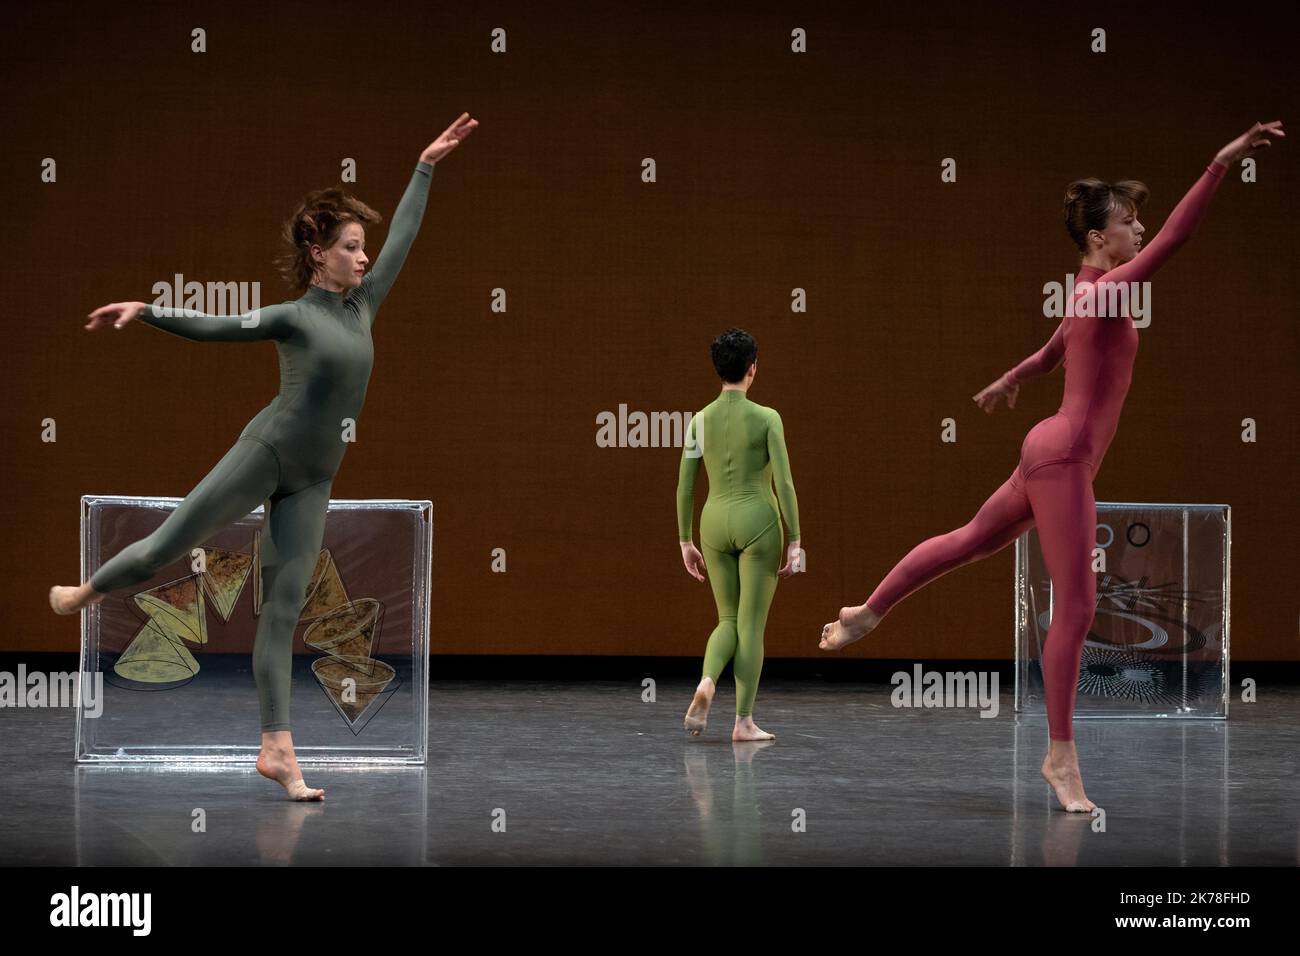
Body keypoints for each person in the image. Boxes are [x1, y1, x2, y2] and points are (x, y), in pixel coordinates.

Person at [819, 121, 1284, 812]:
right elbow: (1175, 243)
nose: (1140, 229)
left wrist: (1011, 379)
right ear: (1101, 238)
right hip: (1064, 456)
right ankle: (1061, 759)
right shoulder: (1105, 293)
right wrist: (1219, 163)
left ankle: (868, 611)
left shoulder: (1084, 290)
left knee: (971, 542)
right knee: (1079, 606)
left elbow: (1051, 350)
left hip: (1050, 448)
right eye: (1130, 222)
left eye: (1137, 221)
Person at [49, 112, 479, 800]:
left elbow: (404, 237)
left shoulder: (364, 306)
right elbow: (216, 328)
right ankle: (86, 592)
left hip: (315, 478)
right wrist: (149, 309)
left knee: (283, 611)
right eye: (350, 247)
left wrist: (425, 164)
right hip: (268, 453)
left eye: (362, 248)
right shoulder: (292, 316)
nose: (364, 257)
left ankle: (278, 752)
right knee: (167, 544)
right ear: (318, 254)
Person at [677, 329, 803, 741]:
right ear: (753, 369)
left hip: (713, 524)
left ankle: (708, 681)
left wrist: (685, 541)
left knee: (726, 619)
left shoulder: (698, 421)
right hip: (759, 522)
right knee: (750, 627)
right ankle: (743, 722)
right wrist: (796, 539)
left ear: (718, 370)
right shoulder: (768, 418)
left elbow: (686, 487)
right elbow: (784, 483)